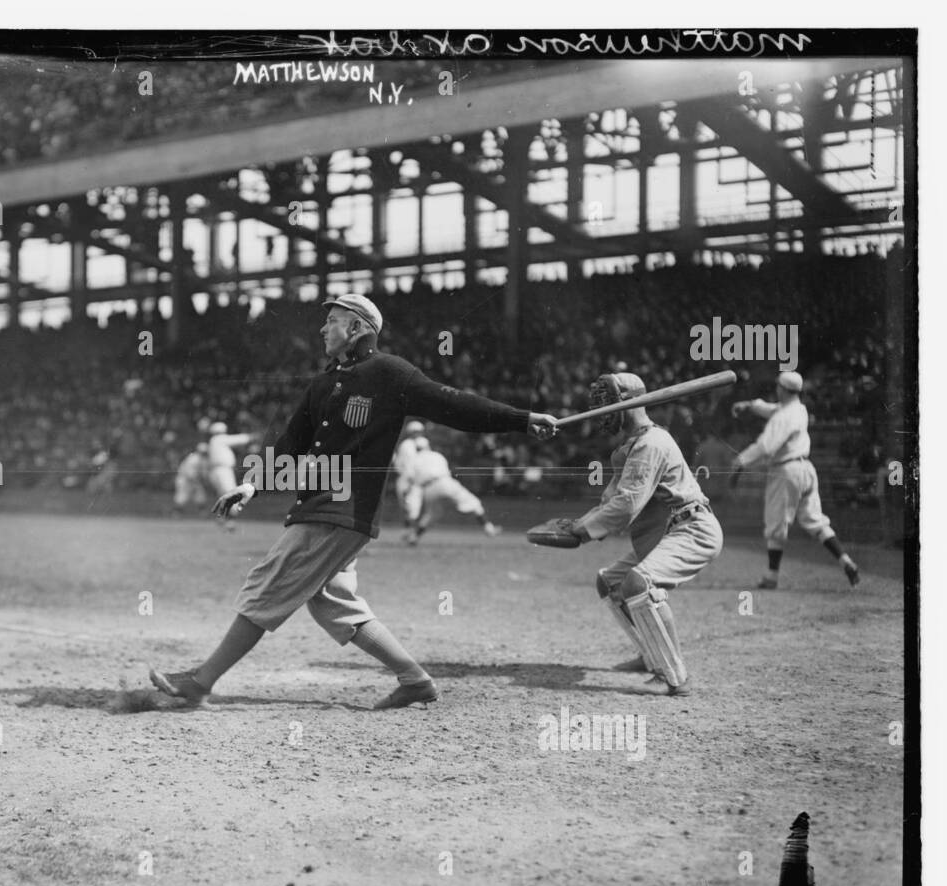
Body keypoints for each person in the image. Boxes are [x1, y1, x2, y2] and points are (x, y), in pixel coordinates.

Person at [149, 293, 558, 711]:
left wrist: (522, 420)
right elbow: (290, 443)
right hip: (323, 507)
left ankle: (201, 681)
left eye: (333, 321)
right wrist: (252, 485)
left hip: (339, 511)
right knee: (333, 603)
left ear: (358, 328)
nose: (323, 329)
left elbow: (454, 404)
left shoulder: (390, 373)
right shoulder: (323, 382)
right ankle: (415, 680)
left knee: (270, 582)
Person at [566, 372, 724, 697]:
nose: (602, 412)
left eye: (608, 404)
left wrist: (583, 532)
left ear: (630, 403)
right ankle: (651, 653)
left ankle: (675, 676)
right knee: (609, 583)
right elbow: (610, 502)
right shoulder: (630, 448)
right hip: (664, 533)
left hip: (691, 529)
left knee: (638, 583)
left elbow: (626, 506)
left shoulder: (652, 443)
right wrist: (577, 524)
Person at [730, 371, 859, 589]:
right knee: (815, 519)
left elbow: (766, 447)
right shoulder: (798, 408)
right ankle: (845, 560)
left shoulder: (782, 417)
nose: (776, 389)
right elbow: (771, 408)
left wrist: (740, 461)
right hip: (806, 469)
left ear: (782, 389)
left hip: (786, 472)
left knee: (776, 524)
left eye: (778, 386)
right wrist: (750, 405)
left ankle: (771, 576)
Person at [402, 436, 501, 545]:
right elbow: (446, 470)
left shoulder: (414, 460)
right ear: (427, 446)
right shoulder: (437, 455)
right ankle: (489, 529)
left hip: (427, 488)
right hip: (444, 482)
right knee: (473, 502)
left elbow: (410, 478)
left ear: (416, 448)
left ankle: (414, 537)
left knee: (431, 514)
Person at [205, 421, 256, 532]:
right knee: (233, 494)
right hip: (223, 471)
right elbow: (238, 439)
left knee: (225, 495)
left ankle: (222, 519)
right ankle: (230, 522)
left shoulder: (213, 442)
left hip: (216, 471)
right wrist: (250, 436)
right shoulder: (219, 439)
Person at [391, 420, 426, 531]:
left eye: (419, 431)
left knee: (414, 507)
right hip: (406, 478)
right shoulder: (406, 445)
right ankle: (409, 532)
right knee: (407, 507)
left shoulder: (424, 443)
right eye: (415, 431)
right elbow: (403, 463)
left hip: (417, 479)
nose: (417, 433)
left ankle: (411, 533)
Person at [172, 442, 211, 514]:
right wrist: (197, 480)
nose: (204, 453)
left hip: (194, 480)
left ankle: (203, 513)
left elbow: (204, 472)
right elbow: (189, 473)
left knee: (200, 496)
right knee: (182, 496)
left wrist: (203, 479)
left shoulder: (204, 460)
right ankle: (176, 513)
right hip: (185, 480)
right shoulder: (193, 459)